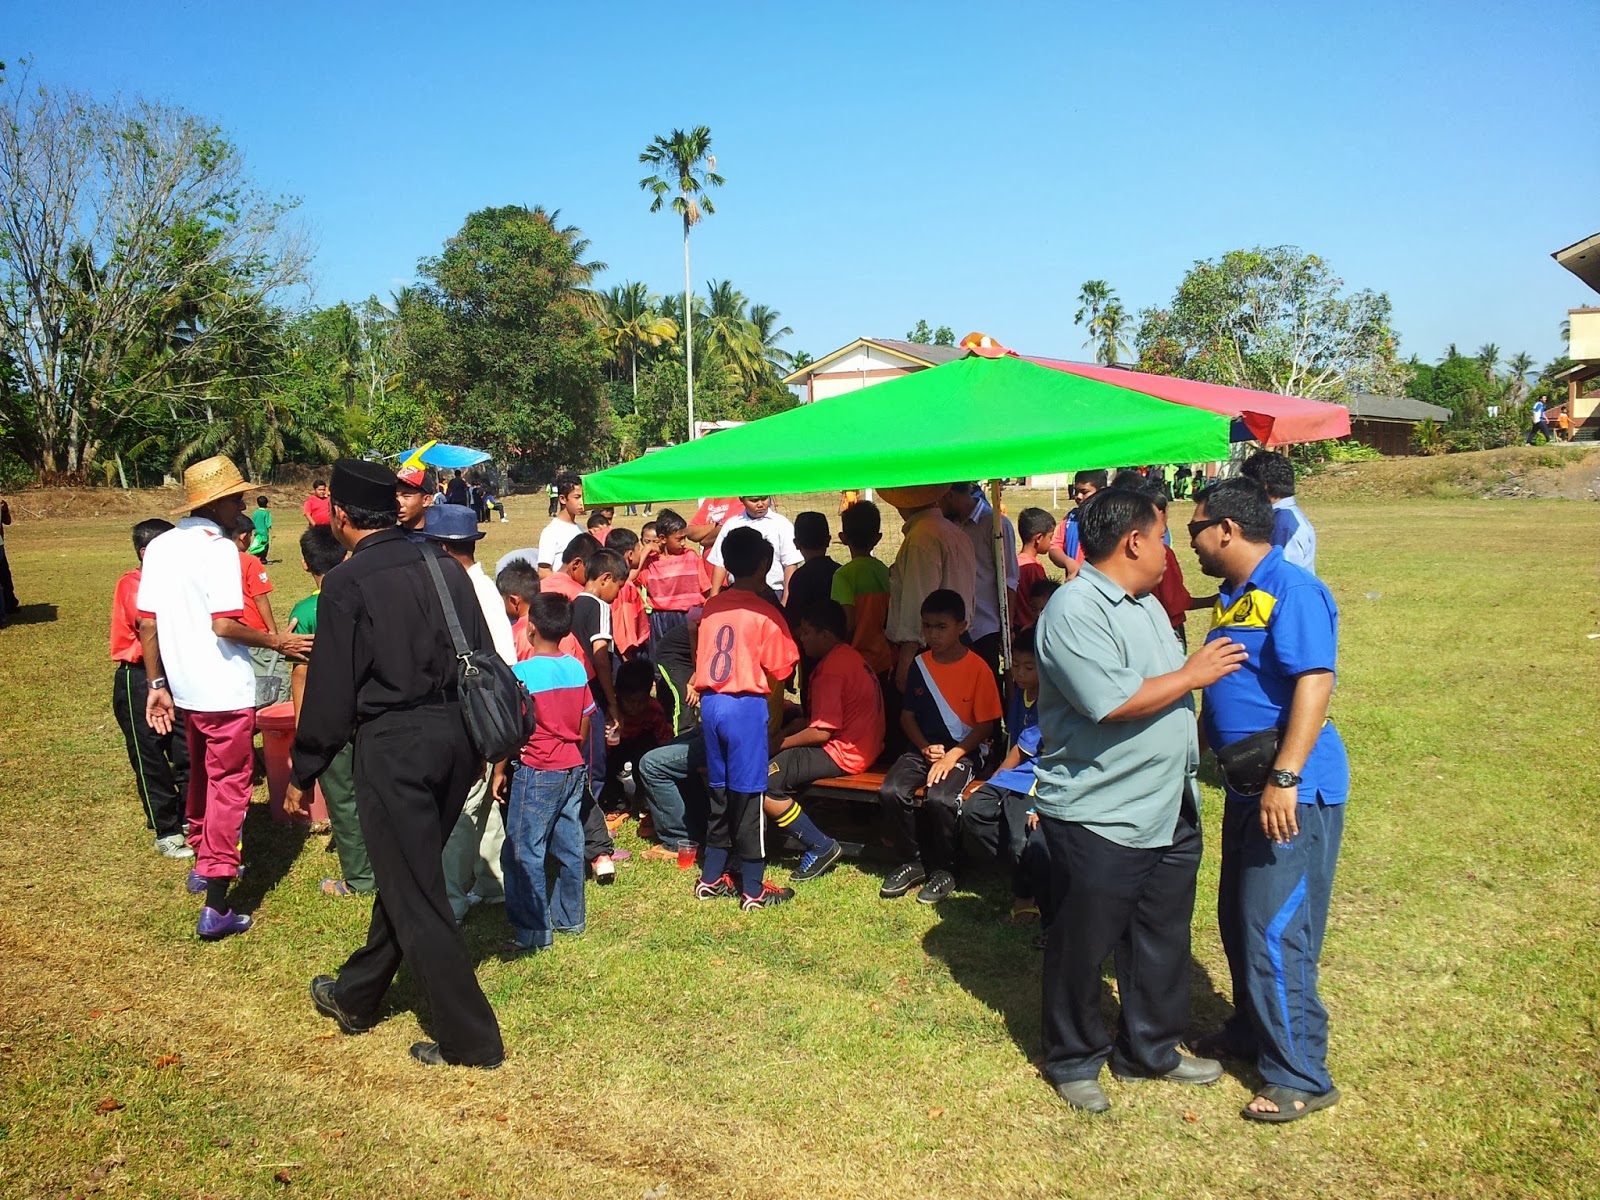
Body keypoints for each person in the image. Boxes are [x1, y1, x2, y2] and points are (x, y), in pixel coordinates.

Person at [1032, 486, 1247, 1114]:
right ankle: (1073, 1057)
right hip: (1103, 810)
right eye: (1162, 536)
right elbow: (1114, 700)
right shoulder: (1074, 611)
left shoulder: (1146, 603)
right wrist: (1193, 675)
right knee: (1083, 941)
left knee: (1161, 934)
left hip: (1167, 802)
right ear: (1133, 541)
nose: (1167, 549)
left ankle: (1149, 1048)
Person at [288, 458, 504, 1069]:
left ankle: (471, 1039)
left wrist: (306, 770)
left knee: (417, 894)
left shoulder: (346, 584)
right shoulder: (445, 565)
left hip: (395, 747)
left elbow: (330, 691)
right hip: (457, 737)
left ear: (341, 516)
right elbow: (483, 656)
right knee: (407, 874)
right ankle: (357, 995)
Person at [1188, 477, 1350, 1123]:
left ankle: (1302, 1074)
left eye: (1197, 525)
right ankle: (1253, 1030)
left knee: (1275, 926)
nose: (1190, 538)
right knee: (1238, 917)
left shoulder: (1294, 590)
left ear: (1227, 528)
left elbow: (1316, 681)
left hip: (1290, 789)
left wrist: (1285, 777)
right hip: (1245, 782)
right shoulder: (1236, 595)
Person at [139, 456, 315, 939]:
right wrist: (278, 641)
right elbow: (224, 624)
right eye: (237, 498)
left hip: (185, 687)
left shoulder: (159, 547)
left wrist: (157, 685)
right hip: (223, 689)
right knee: (230, 787)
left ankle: (200, 859)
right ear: (217, 504)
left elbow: (147, 622)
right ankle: (218, 898)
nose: (242, 506)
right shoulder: (217, 551)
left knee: (200, 778)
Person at [691, 527, 801, 911]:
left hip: (712, 704)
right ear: (765, 564)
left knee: (720, 793)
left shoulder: (713, 605)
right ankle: (753, 888)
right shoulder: (764, 610)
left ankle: (711, 876)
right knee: (750, 797)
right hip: (745, 706)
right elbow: (784, 666)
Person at [425, 504, 518, 925]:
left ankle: (451, 895)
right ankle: (493, 879)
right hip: (487, 712)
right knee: (484, 803)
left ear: (442, 548)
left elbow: (500, 664)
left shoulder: (467, 592)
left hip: (475, 711)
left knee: (463, 807)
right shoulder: (474, 587)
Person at [877, 588, 1000, 906]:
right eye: (927, 626)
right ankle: (911, 862)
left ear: (961, 626)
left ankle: (947, 868)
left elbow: (986, 724)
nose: (932, 634)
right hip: (922, 750)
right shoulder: (919, 664)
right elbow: (907, 716)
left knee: (941, 797)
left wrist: (955, 754)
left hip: (965, 751)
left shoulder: (978, 668)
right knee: (890, 790)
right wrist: (923, 747)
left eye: (940, 627)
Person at [764, 599, 883, 883]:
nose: (801, 638)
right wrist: (794, 725)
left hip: (845, 753)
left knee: (762, 780)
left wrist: (780, 743)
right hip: (864, 746)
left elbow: (822, 732)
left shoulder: (832, 670)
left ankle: (820, 845)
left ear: (826, 635)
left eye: (806, 632)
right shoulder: (846, 656)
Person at [501, 592, 594, 953]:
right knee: (570, 844)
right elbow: (586, 717)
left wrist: (500, 770)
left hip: (537, 768)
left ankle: (532, 931)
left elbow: (511, 729)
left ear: (531, 629)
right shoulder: (574, 666)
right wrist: (574, 751)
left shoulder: (520, 674)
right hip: (572, 765)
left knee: (524, 852)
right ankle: (571, 918)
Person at [286, 526, 372, 897]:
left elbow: (301, 675)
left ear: (305, 565)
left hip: (329, 714)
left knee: (343, 797)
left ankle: (360, 878)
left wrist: (304, 732)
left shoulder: (306, 612)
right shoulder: (364, 593)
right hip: (369, 708)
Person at [959, 626, 1052, 926]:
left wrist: (995, 776)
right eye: (1016, 666)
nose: (1020, 674)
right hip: (1011, 774)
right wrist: (995, 781)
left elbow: (1024, 751)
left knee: (1017, 837)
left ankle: (1025, 902)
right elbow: (1013, 740)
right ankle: (1020, 868)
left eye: (1029, 667)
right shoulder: (1020, 696)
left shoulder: (1050, 701)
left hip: (1032, 780)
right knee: (973, 810)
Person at [110, 518, 192, 858]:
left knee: (186, 746)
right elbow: (148, 623)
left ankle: (190, 815)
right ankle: (166, 827)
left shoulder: (175, 582)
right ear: (147, 552)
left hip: (177, 673)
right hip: (140, 678)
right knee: (149, 754)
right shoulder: (134, 584)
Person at [881, 487, 976, 693]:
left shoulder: (921, 538)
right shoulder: (956, 533)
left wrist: (906, 660)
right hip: (956, 637)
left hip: (931, 647)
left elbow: (918, 600)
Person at [940, 482, 1019, 678]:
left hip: (986, 629)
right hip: (954, 629)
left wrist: (1006, 629)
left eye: (938, 500)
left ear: (949, 496)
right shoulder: (947, 525)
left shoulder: (996, 525)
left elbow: (1009, 579)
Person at [830, 500, 895, 681]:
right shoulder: (884, 571)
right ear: (878, 538)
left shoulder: (843, 575)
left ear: (843, 538)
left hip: (855, 662)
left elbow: (848, 622)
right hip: (883, 660)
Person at [637, 508, 712, 650]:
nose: (683, 543)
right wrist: (646, 550)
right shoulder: (651, 562)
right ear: (662, 539)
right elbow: (631, 576)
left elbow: (706, 590)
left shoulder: (692, 557)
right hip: (660, 620)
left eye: (684, 538)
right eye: (679, 539)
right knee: (661, 660)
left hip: (688, 617)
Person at [784, 511, 840, 698]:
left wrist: (789, 666)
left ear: (796, 543)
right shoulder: (840, 572)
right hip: (840, 652)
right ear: (828, 540)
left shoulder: (800, 577)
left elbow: (792, 627)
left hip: (811, 660)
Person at [707, 496, 803, 602]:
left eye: (764, 499)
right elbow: (720, 564)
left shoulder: (781, 524)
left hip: (772, 592)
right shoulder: (732, 524)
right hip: (737, 594)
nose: (760, 504)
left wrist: (785, 601)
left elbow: (790, 565)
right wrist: (714, 598)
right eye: (754, 500)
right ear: (741, 500)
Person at [1240, 450, 1316, 574]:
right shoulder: (1280, 517)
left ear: (1264, 486)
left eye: (1248, 484)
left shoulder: (1284, 524)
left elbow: (1283, 577)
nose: (1245, 491)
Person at [1046, 469, 1107, 579]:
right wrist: (1068, 562)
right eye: (1076, 491)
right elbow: (1054, 548)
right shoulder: (1071, 518)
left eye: (1084, 492)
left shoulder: (1109, 519)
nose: (1078, 496)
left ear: (1101, 492)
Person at [604, 527, 650, 661]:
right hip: (629, 652)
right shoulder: (624, 587)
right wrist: (628, 660)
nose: (640, 553)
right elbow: (623, 630)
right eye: (639, 549)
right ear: (630, 554)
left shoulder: (609, 580)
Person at [1013, 507, 1055, 632]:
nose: (1051, 543)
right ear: (1038, 538)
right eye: (1050, 538)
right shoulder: (1033, 568)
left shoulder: (1015, 563)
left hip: (1016, 626)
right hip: (1032, 627)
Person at [536, 472, 586, 578]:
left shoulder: (581, 529)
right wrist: (565, 586)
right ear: (563, 499)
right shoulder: (551, 532)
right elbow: (543, 572)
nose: (582, 502)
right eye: (577, 497)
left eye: (583, 497)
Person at [395, 466, 434, 538]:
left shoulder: (437, 539)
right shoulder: (391, 537)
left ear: (426, 500)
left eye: (406, 496)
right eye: (395, 496)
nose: (399, 503)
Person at [0, 492, 16, 618]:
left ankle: (10, 604)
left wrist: (4, 510)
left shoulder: (2, 504)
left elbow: (8, 521)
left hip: (0, 545)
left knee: (5, 575)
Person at [249, 496, 273, 562]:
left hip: (257, 532)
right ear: (266, 504)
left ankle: (256, 556)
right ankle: (263, 559)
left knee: (258, 544)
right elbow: (268, 524)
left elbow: (253, 521)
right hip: (264, 532)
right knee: (265, 545)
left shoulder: (255, 512)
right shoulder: (266, 513)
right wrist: (273, 533)